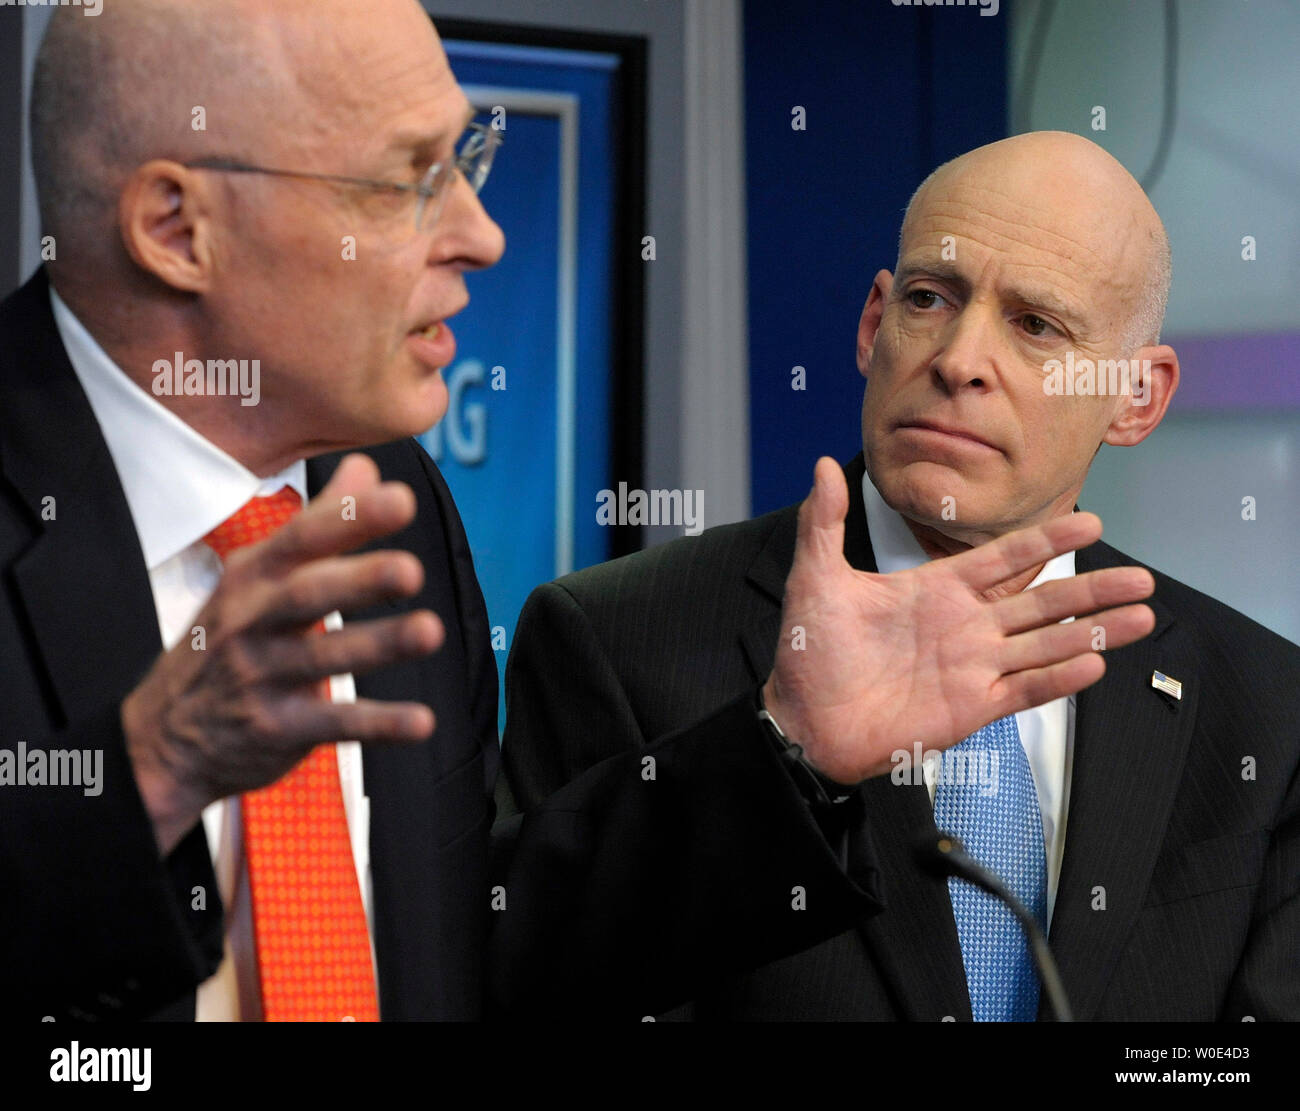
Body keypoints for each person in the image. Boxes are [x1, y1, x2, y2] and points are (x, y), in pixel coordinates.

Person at [0, 1, 1157, 1022]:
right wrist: (141, 780)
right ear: (176, 229)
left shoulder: (391, 496)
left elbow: (483, 958)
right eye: (407, 181)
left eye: (473, 160)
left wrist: (786, 753)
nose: (479, 233)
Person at [503, 131, 1300, 1021]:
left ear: (1137, 396)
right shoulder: (618, 637)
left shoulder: (1267, 706)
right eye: (930, 299)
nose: (959, 360)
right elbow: (519, 981)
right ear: (874, 324)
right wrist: (789, 748)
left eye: (1035, 325)